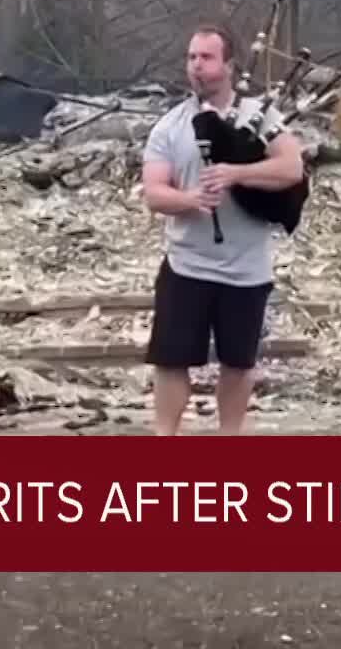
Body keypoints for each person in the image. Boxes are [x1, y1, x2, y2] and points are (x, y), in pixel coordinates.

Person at [139, 23, 305, 435]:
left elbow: (292, 168)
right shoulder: (170, 126)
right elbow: (154, 193)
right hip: (186, 266)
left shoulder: (260, 118)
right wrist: (191, 200)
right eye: (192, 57)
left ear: (229, 65)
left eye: (207, 57)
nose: (197, 66)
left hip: (246, 269)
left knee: (238, 362)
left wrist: (237, 172)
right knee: (171, 360)